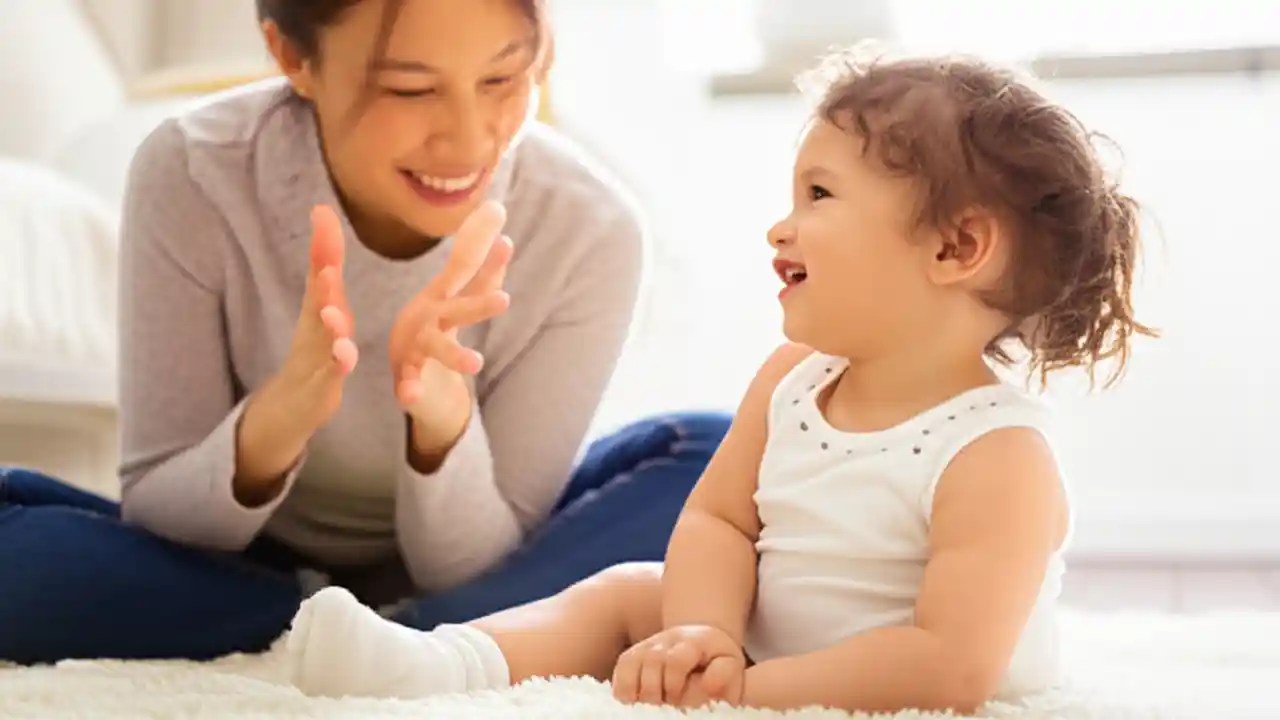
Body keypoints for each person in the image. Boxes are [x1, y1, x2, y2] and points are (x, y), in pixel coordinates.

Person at [282, 45, 1156, 714]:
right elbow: (716, 518)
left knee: (652, 603)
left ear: (953, 247)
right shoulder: (792, 379)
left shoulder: (995, 453)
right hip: (762, 641)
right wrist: (702, 629)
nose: (781, 228)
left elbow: (949, 666)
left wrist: (746, 691)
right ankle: (434, 663)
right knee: (629, 590)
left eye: (819, 195)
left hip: (866, 674)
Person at [0, 0, 731, 664]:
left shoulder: (589, 228)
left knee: (718, 462)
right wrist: (276, 422)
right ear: (292, 58)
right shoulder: (192, 173)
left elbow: (480, 559)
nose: (469, 139)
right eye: (410, 89)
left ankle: (391, 643)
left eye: (506, 79)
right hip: (233, 567)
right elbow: (160, 516)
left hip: (480, 566)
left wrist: (443, 432)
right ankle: (375, 637)